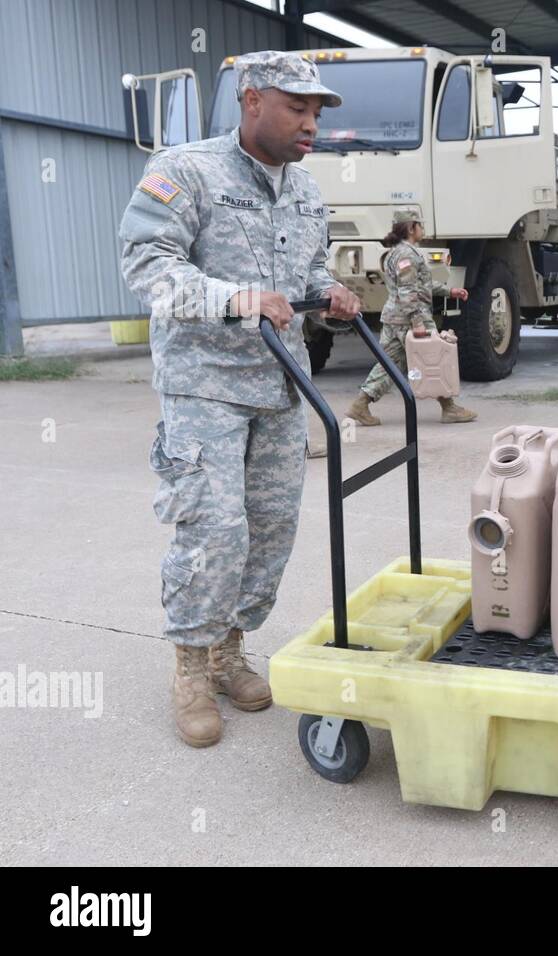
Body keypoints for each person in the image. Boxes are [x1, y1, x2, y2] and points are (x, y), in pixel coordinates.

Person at [118, 51, 362, 747]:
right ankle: (191, 667)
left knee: (271, 528)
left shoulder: (307, 189)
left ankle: (231, 652)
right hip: (205, 387)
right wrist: (235, 300)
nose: (310, 123)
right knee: (214, 530)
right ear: (251, 100)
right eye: (297, 107)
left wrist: (329, 295)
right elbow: (147, 267)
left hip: (281, 385)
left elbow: (306, 271)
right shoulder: (184, 170)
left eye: (316, 112)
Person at [342, 211, 477, 428]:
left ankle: (360, 405)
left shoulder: (400, 253)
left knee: (389, 364)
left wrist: (449, 291)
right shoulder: (407, 255)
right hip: (409, 318)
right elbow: (408, 291)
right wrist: (417, 322)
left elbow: (419, 286)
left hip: (395, 318)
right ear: (411, 227)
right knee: (435, 358)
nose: (423, 229)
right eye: (420, 225)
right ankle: (449, 408)